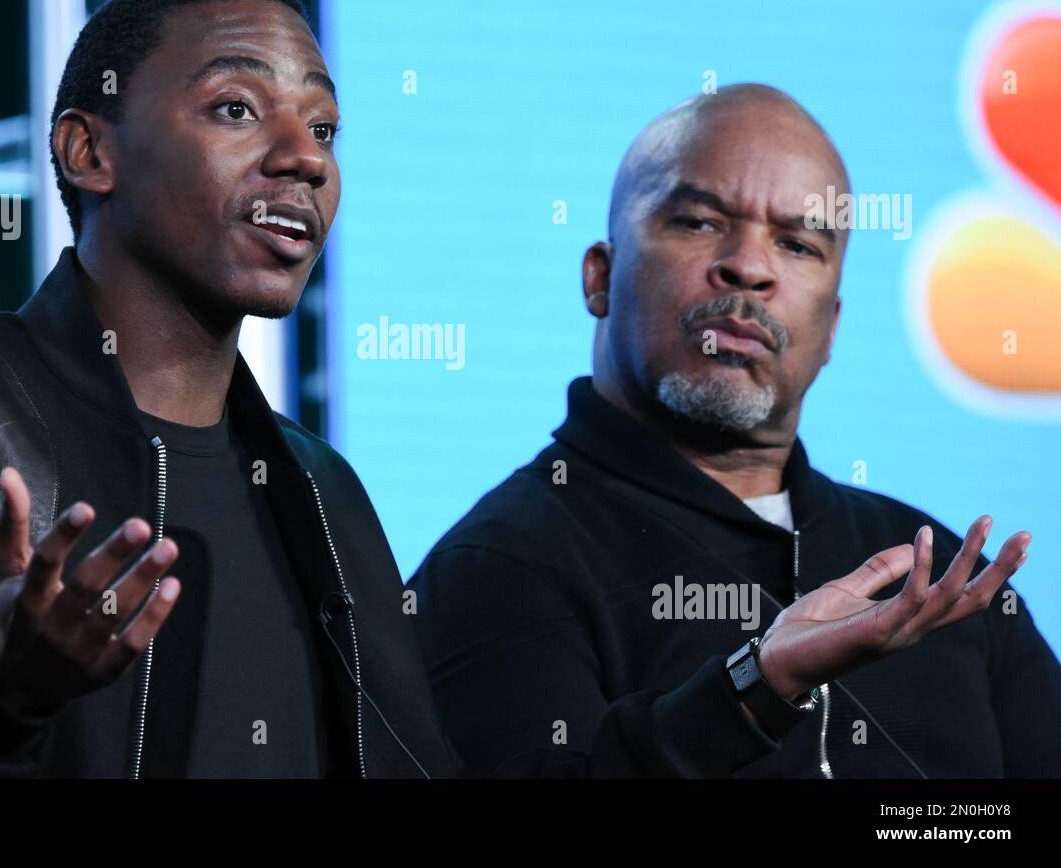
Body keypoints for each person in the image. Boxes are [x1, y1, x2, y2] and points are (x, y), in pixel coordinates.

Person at [0, 0, 457, 778]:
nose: (306, 158)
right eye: (237, 108)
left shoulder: (324, 493)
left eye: (325, 128)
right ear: (88, 151)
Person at [408, 84, 1060, 778]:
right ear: (600, 277)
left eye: (797, 243)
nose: (748, 268)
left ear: (832, 326)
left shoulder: (931, 570)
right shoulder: (496, 568)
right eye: (698, 222)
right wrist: (757, 687)